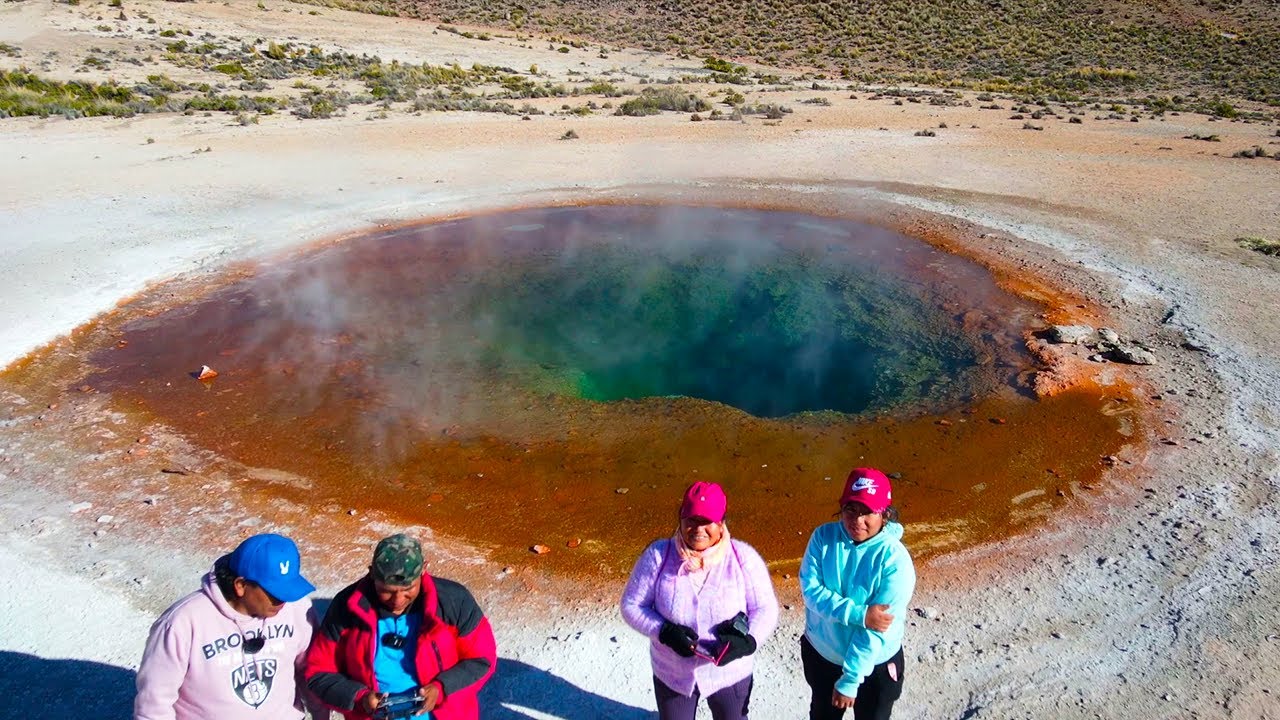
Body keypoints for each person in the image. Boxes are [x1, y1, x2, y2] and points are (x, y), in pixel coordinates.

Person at [621, 481, 779, 720]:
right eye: (691, 520)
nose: (698, 529)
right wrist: (663, 631)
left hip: (730, 672)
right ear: (681, 518)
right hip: (673, 672)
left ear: (721, 523)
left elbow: (765, 608)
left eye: (707, 521)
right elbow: (631, 605)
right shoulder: (658, 556)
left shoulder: (742, 557)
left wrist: (749, 641)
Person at [303, 533, 496, 719]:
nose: (397, 600)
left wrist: (441, 688)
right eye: (386, 591)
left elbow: (481, 660)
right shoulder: (347, 608)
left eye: (408, 589)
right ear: (371, 573)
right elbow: (318, 672)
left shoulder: (453, 601)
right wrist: (360, 698)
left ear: (424, 569)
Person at [134, 532, 322, 720]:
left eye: (289, 589)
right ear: (240, 585)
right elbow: (155, 701)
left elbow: (310, 671)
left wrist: (320, 715)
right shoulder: (183, 622)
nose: (283, 599)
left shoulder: (297, 609)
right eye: (274, 592)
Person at [799, 467, 917, 720]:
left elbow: (877, 628)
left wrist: (851, 679)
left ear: (884, 514)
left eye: (867, 512)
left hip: (874, 665)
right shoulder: (822, 537)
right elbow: (811, 591)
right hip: (824, 656)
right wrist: (860, 615)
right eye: (850, 509)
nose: (857, 520)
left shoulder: (895, 560)